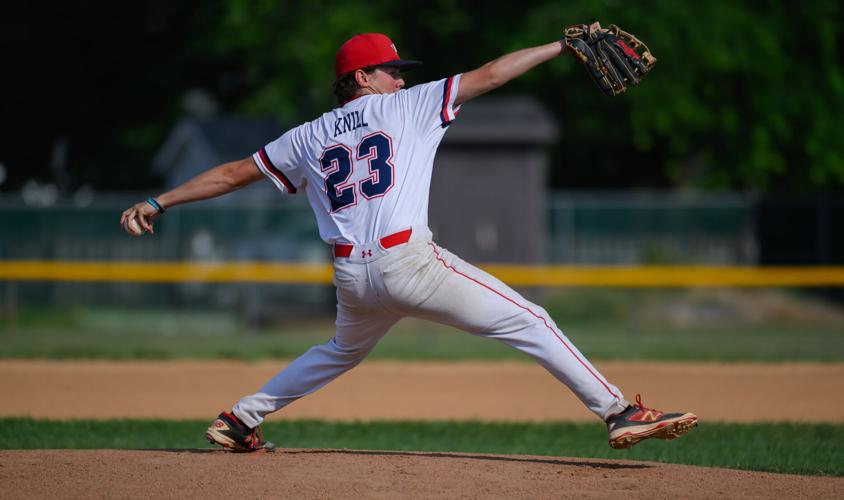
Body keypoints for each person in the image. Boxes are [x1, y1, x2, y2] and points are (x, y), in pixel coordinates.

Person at [121, 27, 697, 452]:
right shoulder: (406, 105)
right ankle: (619, 411)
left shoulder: (307, 135)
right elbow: (493, 73)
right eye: (392, 68)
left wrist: (158, 200)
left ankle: (241, 419)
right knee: (530, 319)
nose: (402, 76)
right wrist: (560, 48)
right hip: (408, 263)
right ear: (362, 79)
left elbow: (230, 174)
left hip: (351, 276)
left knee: (341, 352)